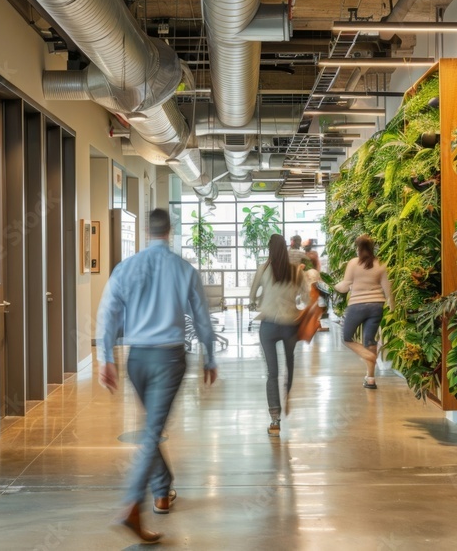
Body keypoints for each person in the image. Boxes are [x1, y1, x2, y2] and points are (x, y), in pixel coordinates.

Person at [96, 208, 219, 543]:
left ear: (147, 231)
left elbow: (108, 312)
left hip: (137, 360)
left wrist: (105, 357)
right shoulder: (183, 269)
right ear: (171, 231)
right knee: (153, 430)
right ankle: (132, 503)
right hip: (169, 358)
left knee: (153, 426)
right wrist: (210, 356)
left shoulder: (127, 267)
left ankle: (162, 491)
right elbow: (202, 317)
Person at [249, 234, 308, 436]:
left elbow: (252, 297)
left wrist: (259, 302)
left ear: (269, 249)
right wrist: (293, 299)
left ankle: (275, 418)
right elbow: (307, 298)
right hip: (290, 324)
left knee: (272, 372)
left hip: (268, 325)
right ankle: (287, 394)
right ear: (285, 248)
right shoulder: (296, 271)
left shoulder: (263, 269)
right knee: (289, 364)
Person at [334, 235, 393, 390]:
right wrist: (392, 307)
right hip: (376, 306)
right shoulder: (380, 264)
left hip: (357, 306)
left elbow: (345, 286)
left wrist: (335, 286)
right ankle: (371, 378)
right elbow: (387, 289)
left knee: (346, 337)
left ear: (358, 248)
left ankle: (369, 355)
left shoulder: (353, 263)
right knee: (369, 340)